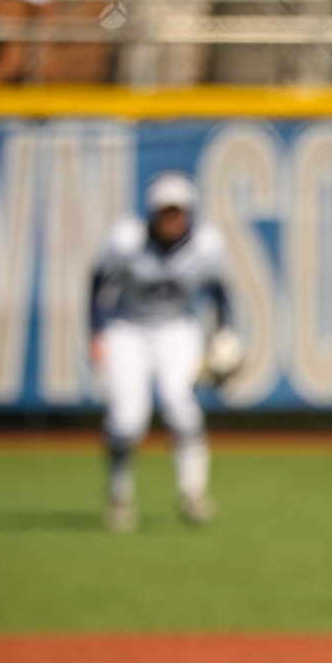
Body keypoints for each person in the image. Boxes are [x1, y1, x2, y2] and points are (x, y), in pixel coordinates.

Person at [89, 172, 233, 532]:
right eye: (165, 211)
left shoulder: (207, 244)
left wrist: (223, 332)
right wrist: (95, 332)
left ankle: (193, 493)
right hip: (127, 328)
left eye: (178, 211)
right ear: (152, 212)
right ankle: (119, 494)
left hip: (176, 328)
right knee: (127, 420)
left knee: (179, 404)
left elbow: (219, 290)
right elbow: (98, 282)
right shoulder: (126, 240)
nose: (172, 218)